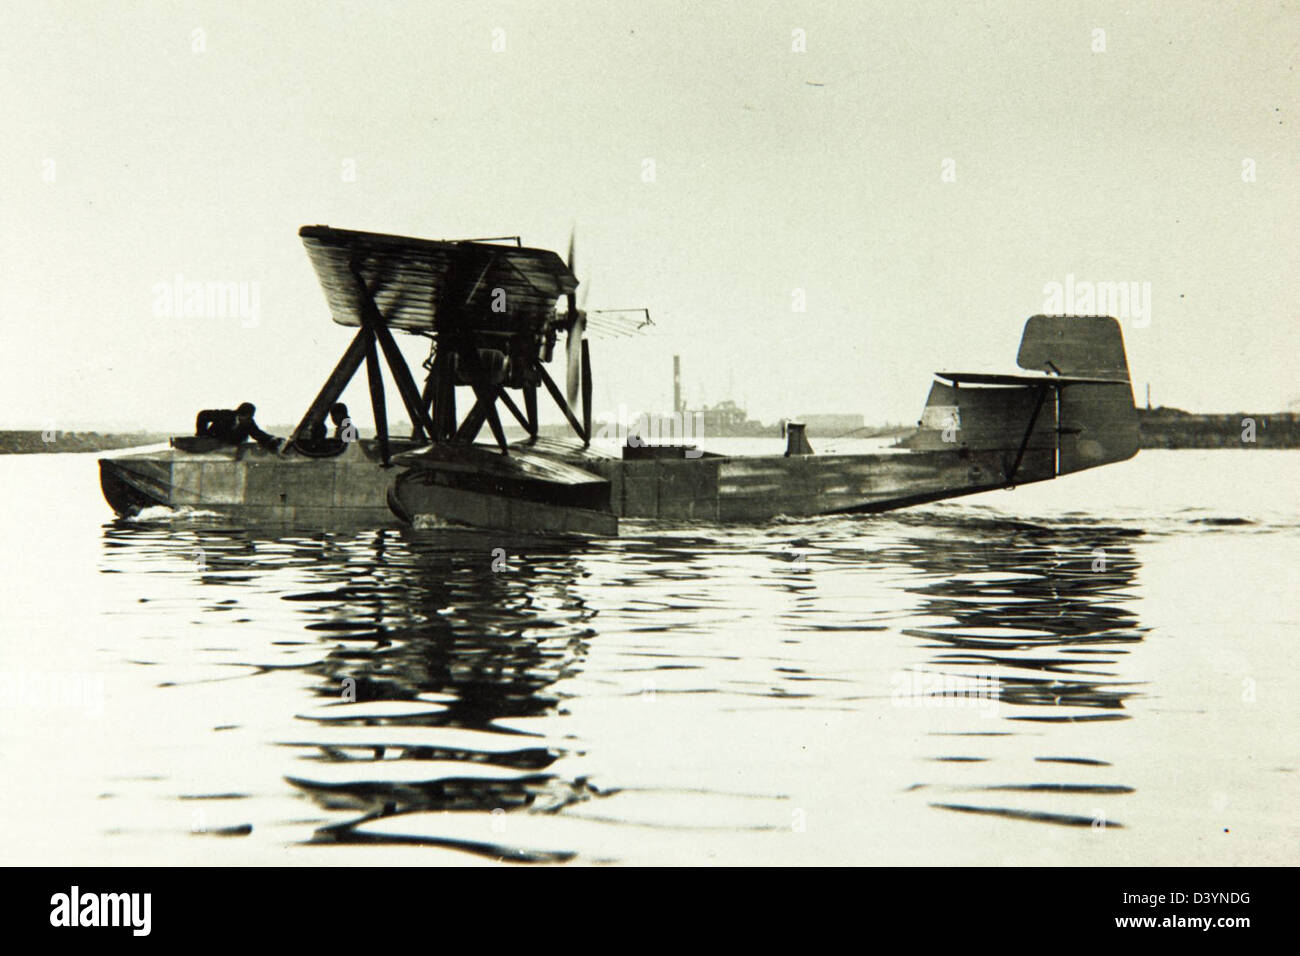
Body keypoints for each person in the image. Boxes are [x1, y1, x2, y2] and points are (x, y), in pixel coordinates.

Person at [195, 402, 280, 449]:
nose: (245, 420)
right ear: (239, 413)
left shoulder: (249, 422)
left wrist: (270, 439)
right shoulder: (225, 415)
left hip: (232, 443)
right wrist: (202, 434)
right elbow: (203, 415)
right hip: (216, 438)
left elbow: (257, 433)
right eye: (244, 417)